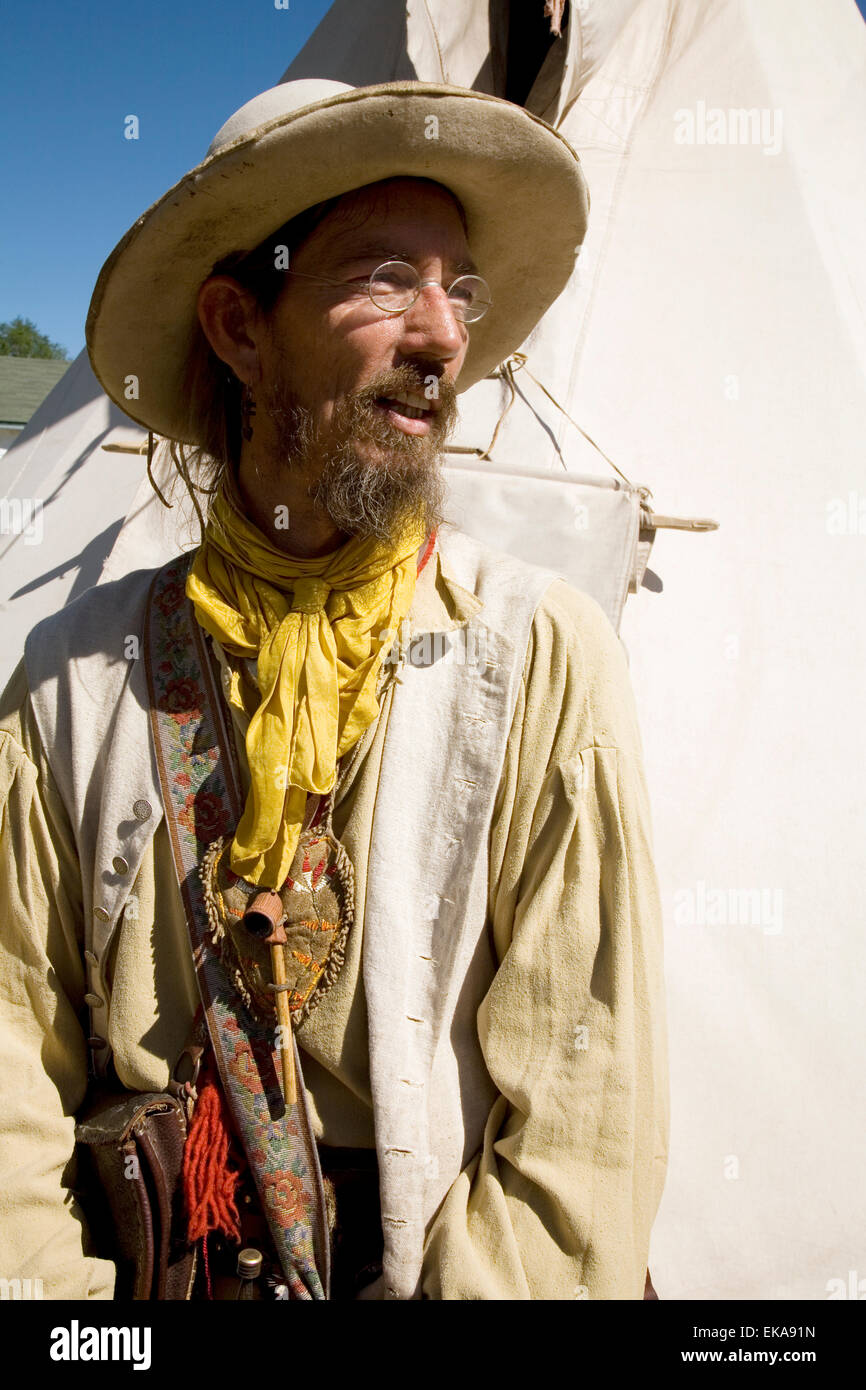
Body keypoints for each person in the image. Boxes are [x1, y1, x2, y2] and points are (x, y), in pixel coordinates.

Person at [0, 78, 668, 1300]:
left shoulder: (542, 658)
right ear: (240, 329)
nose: (444, 337)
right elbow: (6, 1100)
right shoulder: (68, 682)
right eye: (380, 278)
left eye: (457, 287)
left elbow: (583, 1124)